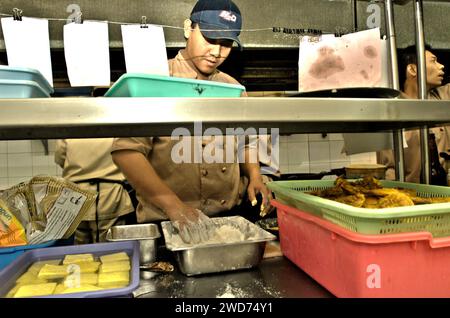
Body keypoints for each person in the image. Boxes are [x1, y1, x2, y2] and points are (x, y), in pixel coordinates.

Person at [111, 0, 271, 238]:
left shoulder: (234, 88)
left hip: (228, 223)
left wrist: (255, 174)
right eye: (209, 38)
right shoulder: (154, 81)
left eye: (226, 43)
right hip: (167, 225)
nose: (216, 52)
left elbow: (247, 142)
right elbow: (126, 153)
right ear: (188, 28)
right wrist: (173, 205)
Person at [378, 45, 450, 183]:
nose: (441, 66)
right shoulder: (393, 108)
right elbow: (389, 169)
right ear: (412, 69)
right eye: (433, 61)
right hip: (410, 194)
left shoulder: (443, 97)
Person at [55, 138, 135, 244]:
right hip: (109, 194)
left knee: (79, 247)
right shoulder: (116, 128)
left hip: (75, 195)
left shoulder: (68, 130)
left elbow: (60, 159)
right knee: (110, 246)